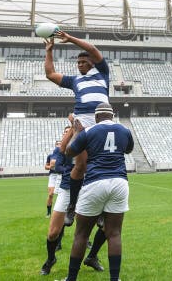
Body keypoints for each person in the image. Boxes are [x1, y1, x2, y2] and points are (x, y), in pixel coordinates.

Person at [44, 29, 110, 226]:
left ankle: (98, 210)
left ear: (92, 62)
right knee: (80, 166)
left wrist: (70, 38)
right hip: (81, 124)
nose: (80, 65)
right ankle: (72, 206)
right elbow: (50, 74)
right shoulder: (75, 81)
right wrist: (49, 51)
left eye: (83, 62)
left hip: (100, 122)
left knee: (98, 167)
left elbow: (92, 48)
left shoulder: (102, 73)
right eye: (78, 63)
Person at [63, 102, 133, 281]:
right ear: (112, 115)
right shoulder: (124, 130)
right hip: (119, 181)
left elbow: (69, 152)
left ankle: (71, 279)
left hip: (95, 181)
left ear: (96, 117)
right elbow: (129, 149)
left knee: (81, 234)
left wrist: (77, 132)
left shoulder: (90, 131)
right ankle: (114, 279)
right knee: (115, 233)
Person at [41, 125, 107, 276]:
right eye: (66, 132)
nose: (68, 134)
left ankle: (92, 256)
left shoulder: (89, 142)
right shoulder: (63, 148)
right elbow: (57, 165)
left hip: (89, 187)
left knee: (107, 226)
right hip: (67, 188)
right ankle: (51, 259)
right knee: (52, 233)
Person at [44, 141, 63, 217]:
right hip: (53, 175)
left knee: (60, 194)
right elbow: (46, 167)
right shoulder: (50, 156)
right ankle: (48, 212)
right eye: (57, 144)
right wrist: (51, 167)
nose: (59, 145)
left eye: (60, 144)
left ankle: (60, 212)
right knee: (51, 194)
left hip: (61, 174)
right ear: (55, 145)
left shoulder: (63, 155)